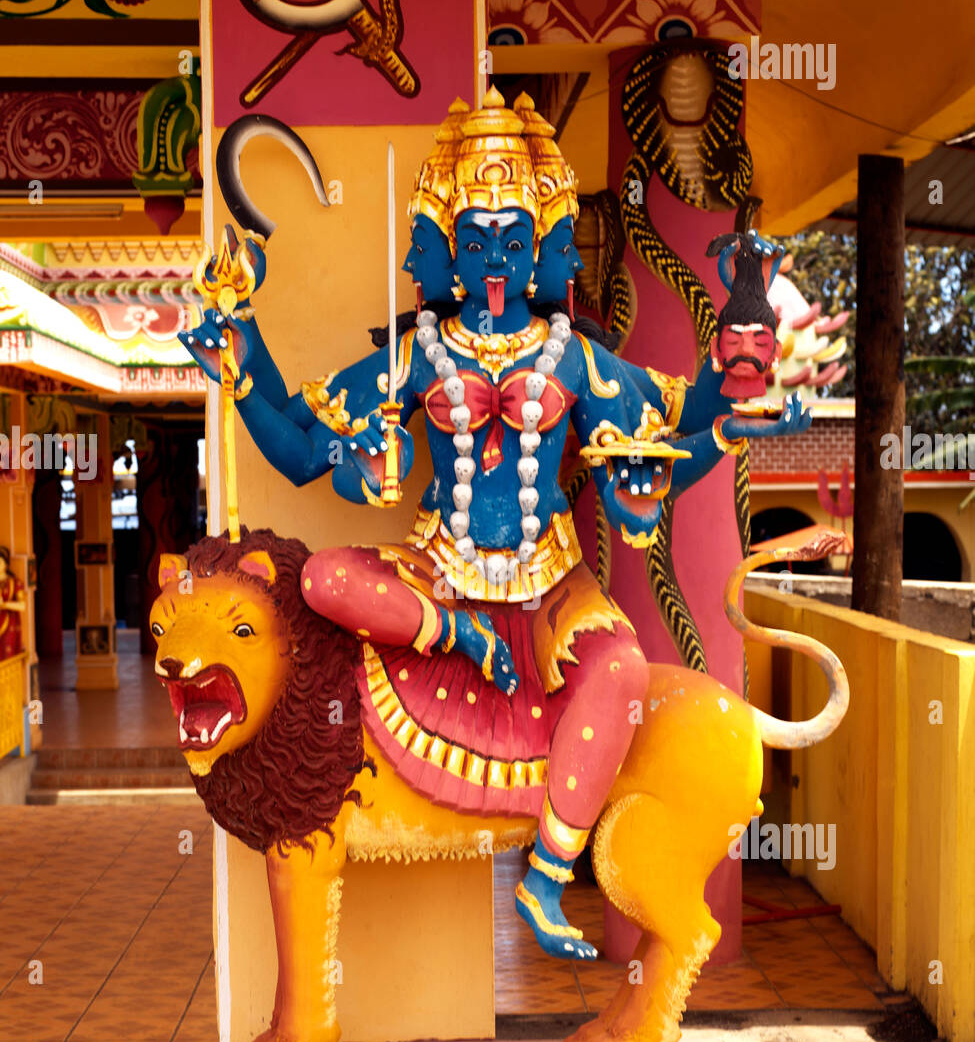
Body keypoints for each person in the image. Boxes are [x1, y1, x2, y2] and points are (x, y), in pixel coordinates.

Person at [180, 89, 805, 960]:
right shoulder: (415, 355)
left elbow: (663, 437)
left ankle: (548, 877)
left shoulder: (575, 360)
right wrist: (240, 360)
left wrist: (728, 408)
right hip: (437, 572)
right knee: (323, 581)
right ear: (443, 251)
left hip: (551, 580)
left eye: (514, 241)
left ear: (544, 247)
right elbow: (300, 448)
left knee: (622, 674)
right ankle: (460, 639)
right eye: (474, 243)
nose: (496, 264)